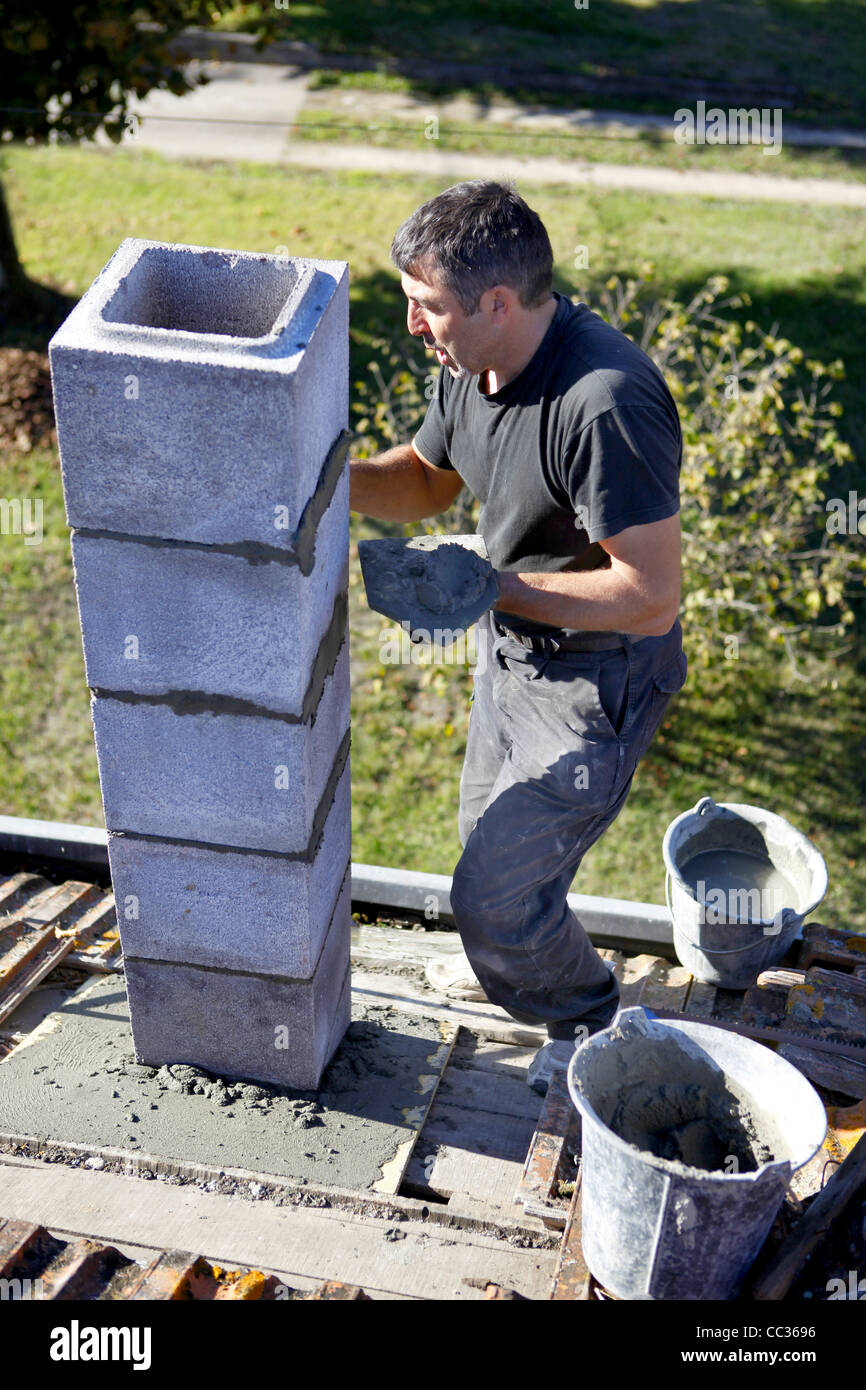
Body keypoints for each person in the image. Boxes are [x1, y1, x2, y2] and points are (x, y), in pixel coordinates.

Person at [349, 180, 687, 1093]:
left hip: (595, 686)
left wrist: (491, 587)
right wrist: (320, 476)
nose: (415, 326)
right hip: (513, 659)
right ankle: (526, 954)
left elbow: (651, 595)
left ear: (498, 302)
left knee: (493, 899)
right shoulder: (472, 364)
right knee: (492, 872)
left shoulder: (604, 404)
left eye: (428, 307)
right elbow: (426, 480)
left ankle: (589, 1017)